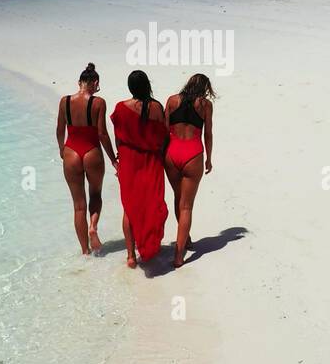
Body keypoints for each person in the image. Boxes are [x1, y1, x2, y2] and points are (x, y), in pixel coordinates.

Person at [110, 71, 169, 268]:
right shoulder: (157, 108)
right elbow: (162, 138)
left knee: (129, 207)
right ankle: (150, 245)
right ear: (147, 85)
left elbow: (118, 138)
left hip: (128, 160)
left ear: (130, 87)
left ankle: (130, 255)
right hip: (151, 161)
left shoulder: (120, 107)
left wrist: (119, 157)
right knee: (153, 204)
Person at [56, 63, 116, 254]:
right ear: (95, 83)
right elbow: (102, 134)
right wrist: (113, 158)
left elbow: (59, 130)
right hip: (92, 152)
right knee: (96, 195)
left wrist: (61, 149)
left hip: (71, 151)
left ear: (79, 82)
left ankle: (85, 251)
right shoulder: (98, 103)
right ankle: (93, 226)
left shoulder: (64, 101)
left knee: (78, 205)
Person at [164, 74, 215, 269]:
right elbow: (208, 134)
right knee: (186, 206)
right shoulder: (205, 105)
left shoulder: (172, 100)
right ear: (204, 88)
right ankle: (178, 256)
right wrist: (209, 158)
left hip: (171, 154)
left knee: (178, 198)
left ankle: (186, 239)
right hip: (192, 154)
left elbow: (163, 129)